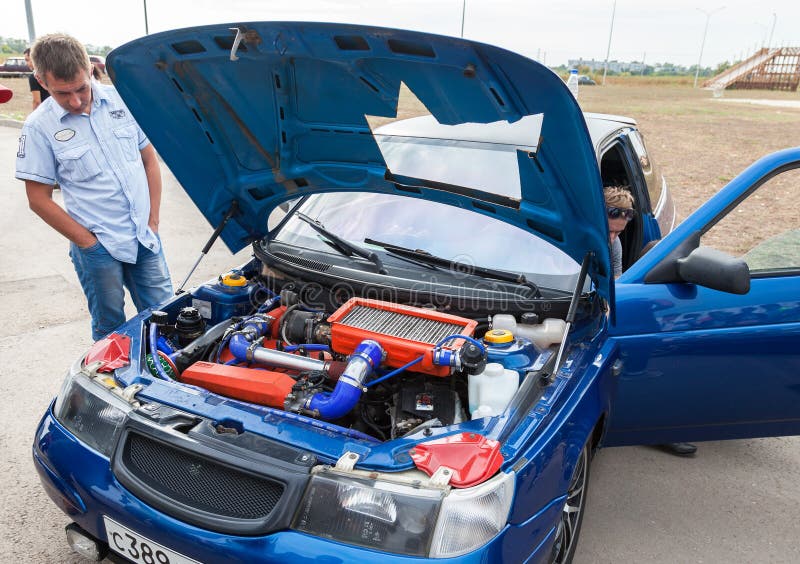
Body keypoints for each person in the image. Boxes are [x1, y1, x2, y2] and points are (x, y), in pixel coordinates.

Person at [15, 33, 173, 341]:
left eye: (81, 89)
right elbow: (38, 199)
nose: (75, 101)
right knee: (110, 329)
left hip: (144, 237)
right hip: (98, 247)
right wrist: (87, 243)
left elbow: (149, 162)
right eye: (62, 94)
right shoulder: (38, 127)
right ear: (41, 80)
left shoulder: (122, 100)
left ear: (89, 69)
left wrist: (153, 220)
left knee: (166, 317)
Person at [603, 186, 698, 457]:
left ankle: (652, 425)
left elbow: (618, 282)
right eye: (608, 230)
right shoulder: (579, 239)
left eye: (618, 233)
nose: (612, 237)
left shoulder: (615, 245)